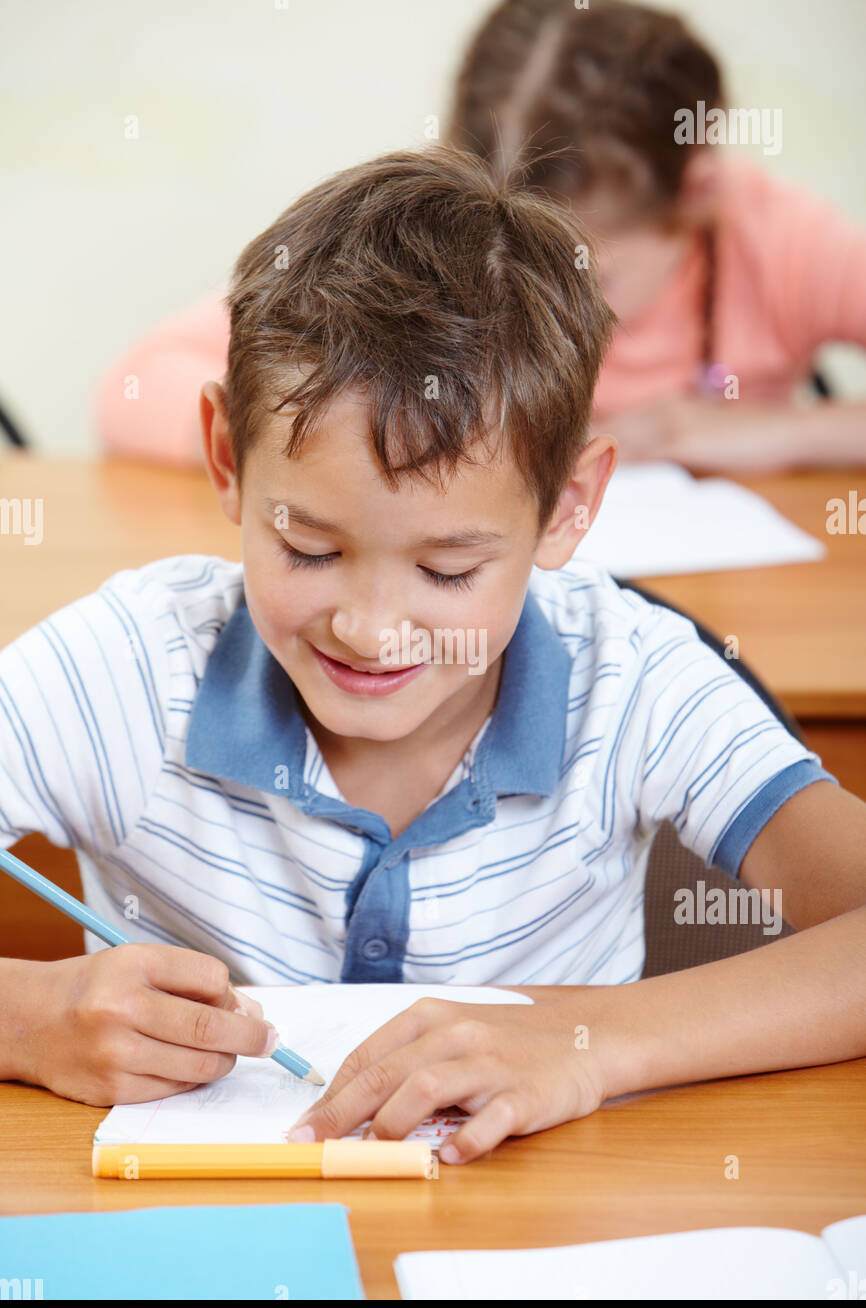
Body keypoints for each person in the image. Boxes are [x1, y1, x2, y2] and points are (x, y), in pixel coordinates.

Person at [6, 146, 866, 1163]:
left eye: (449, 570)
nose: (369, 630)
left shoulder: (632, 680)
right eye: (309, 548)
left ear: (568, 508)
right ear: (229, 461)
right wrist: (27, 1013)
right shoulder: (121, 669)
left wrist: (590, 1045)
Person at [94, 0, 866, 472]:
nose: (549, 296)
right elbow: (137, 386)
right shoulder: (421, 235)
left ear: (696, 191)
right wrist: (346, 439)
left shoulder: (776, 242)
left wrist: (773, 433)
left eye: (583, 272)